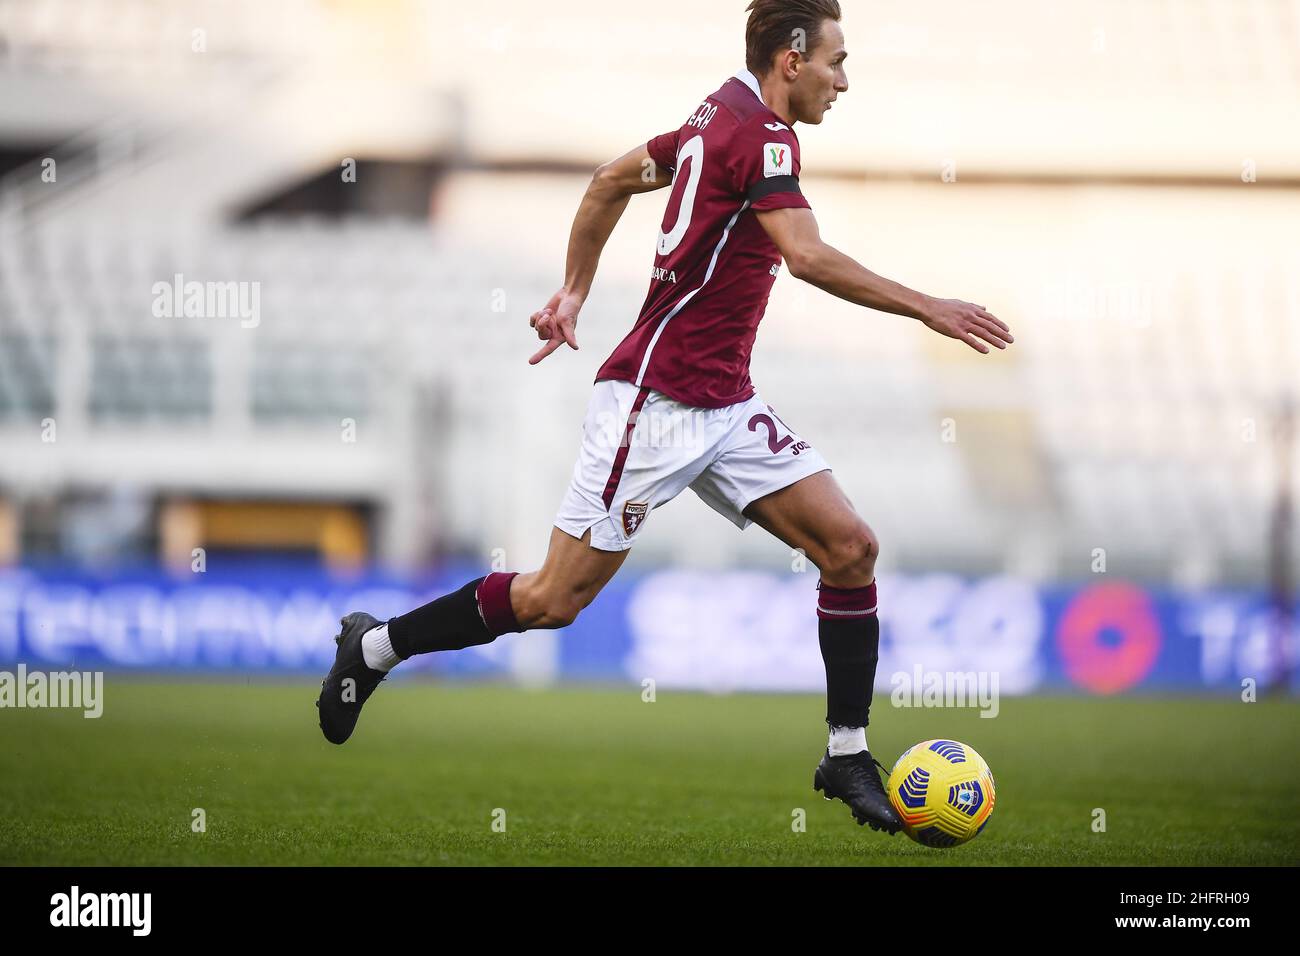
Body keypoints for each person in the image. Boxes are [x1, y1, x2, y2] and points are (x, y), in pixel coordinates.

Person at [317, 0, 1013, 834]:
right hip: (655, 406)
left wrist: (575, 288)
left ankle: (847, 752)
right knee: (550, 599)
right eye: (836, 60)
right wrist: (925, 306)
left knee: (851, 547)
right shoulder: (762, 135)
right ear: (790, 60)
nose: (844, 79)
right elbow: (807, 256)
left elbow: (610, 180)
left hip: (725, 402)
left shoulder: (715, 114)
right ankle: (374, 648)